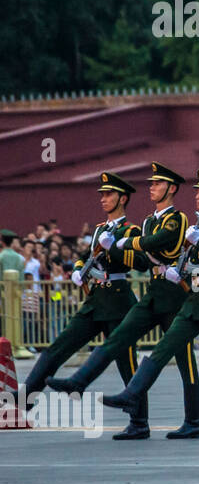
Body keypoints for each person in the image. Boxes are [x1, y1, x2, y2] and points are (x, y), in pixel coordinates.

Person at [48, 164, 199, 437]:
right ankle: (79, 381)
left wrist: (124, 244)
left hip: (175, 297)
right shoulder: (148, 220)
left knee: (185, 360)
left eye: (157, 184)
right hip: (154, 292)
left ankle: (193, 422)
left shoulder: (177, 219)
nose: (151, 187)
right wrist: (133, 245)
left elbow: (157, 241)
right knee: (117, 338)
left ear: (172, 188)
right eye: (151, 183)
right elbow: (145, 255)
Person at [103, 169, 199, 439]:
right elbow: (193, 263)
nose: (198, 195)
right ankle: (133, 395)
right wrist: (177, 272)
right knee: (163, 348)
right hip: (194, 299)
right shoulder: (197, 227)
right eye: (197, 191)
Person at [7, 173, 147, 439]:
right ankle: (27, 396)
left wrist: (114, 247)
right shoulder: (98, 229)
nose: (103, 199)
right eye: (102, 195)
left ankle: (140, 422)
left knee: (127, 363)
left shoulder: (131, 231)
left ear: (123, 198)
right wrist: (78, 269)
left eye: (108, 195)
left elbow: (140, 263)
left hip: (118, 301)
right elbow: (85, 257)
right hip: (95, 301)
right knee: (57, 348)